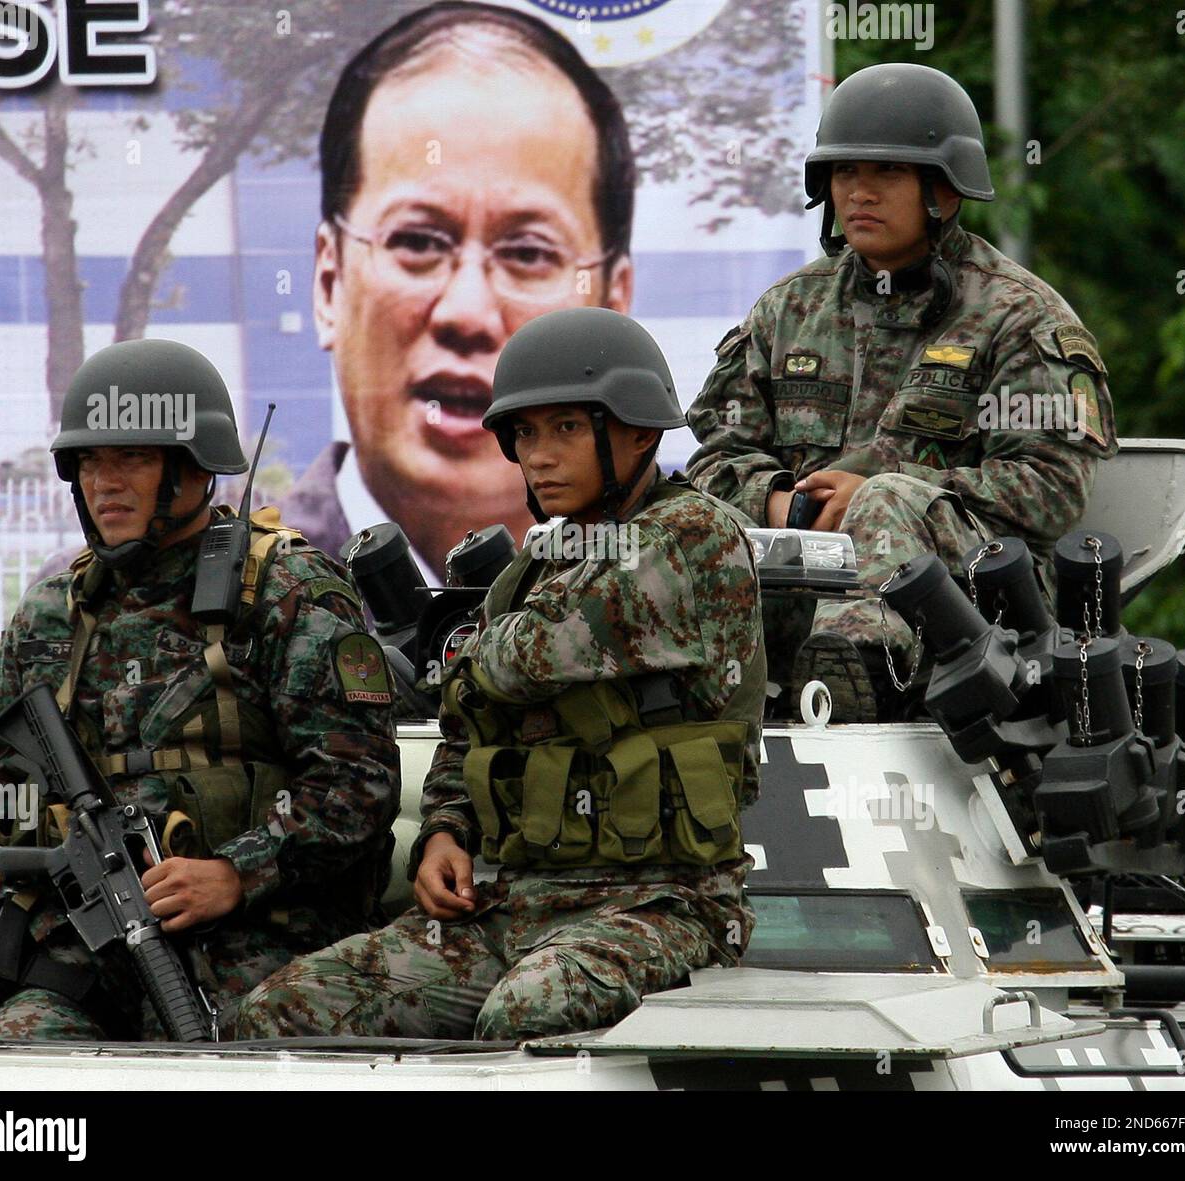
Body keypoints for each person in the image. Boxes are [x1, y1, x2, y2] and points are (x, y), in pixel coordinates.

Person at [235, 307, 765, 1042]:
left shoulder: (693, 536)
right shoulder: (535, 568)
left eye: (567, 429)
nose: (539, 454)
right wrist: (445, 832)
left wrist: (478, 654)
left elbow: (530, 652)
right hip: (517, 905)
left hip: (664, 907)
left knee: (524, 1014)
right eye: (525, 433)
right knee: (278, 1012)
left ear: (641, 431)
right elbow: (467, 718)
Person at [0, 339, 400, 1039]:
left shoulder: (286, 592)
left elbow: (357, 789)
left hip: (256, 941)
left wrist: (236, 872)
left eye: (131, 458)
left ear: (190, 467)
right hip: (88, 947)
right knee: (20, 1046)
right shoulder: (53, 614)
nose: (104, 482)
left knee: (229, 1049)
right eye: (89, 461)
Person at [685, 62, 1119, 721]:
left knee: (885, 499)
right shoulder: (788, 309)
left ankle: (859, 679)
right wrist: (775, 502)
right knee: (677, 525)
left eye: (886, 172)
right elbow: (716, 458)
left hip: (981, 600)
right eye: (844, 172)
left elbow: (1053, 488)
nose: (858, 192)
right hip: (803, 577)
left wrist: (884, 495)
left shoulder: (1020, 317)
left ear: (943, 190)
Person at [279, 1, 635, 581]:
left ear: (612, 308)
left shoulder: (668, 582)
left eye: (528, 253)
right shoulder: (220, 602)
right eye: (418, 241)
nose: (466, 314)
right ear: (328, 284)